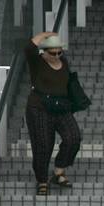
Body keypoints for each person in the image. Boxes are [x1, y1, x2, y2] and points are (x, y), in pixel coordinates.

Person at [24, 32, 82, 196]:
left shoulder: (63, 61)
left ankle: (59, 170)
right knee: (43, 145)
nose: (57, 56)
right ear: (44, 51)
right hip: (39, 108)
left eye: (59, 52)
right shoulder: (37, 62)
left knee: (73, 137)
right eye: (53, 53)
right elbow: (29, 47)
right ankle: (42, 180)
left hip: (61, 106)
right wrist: (45, 34)